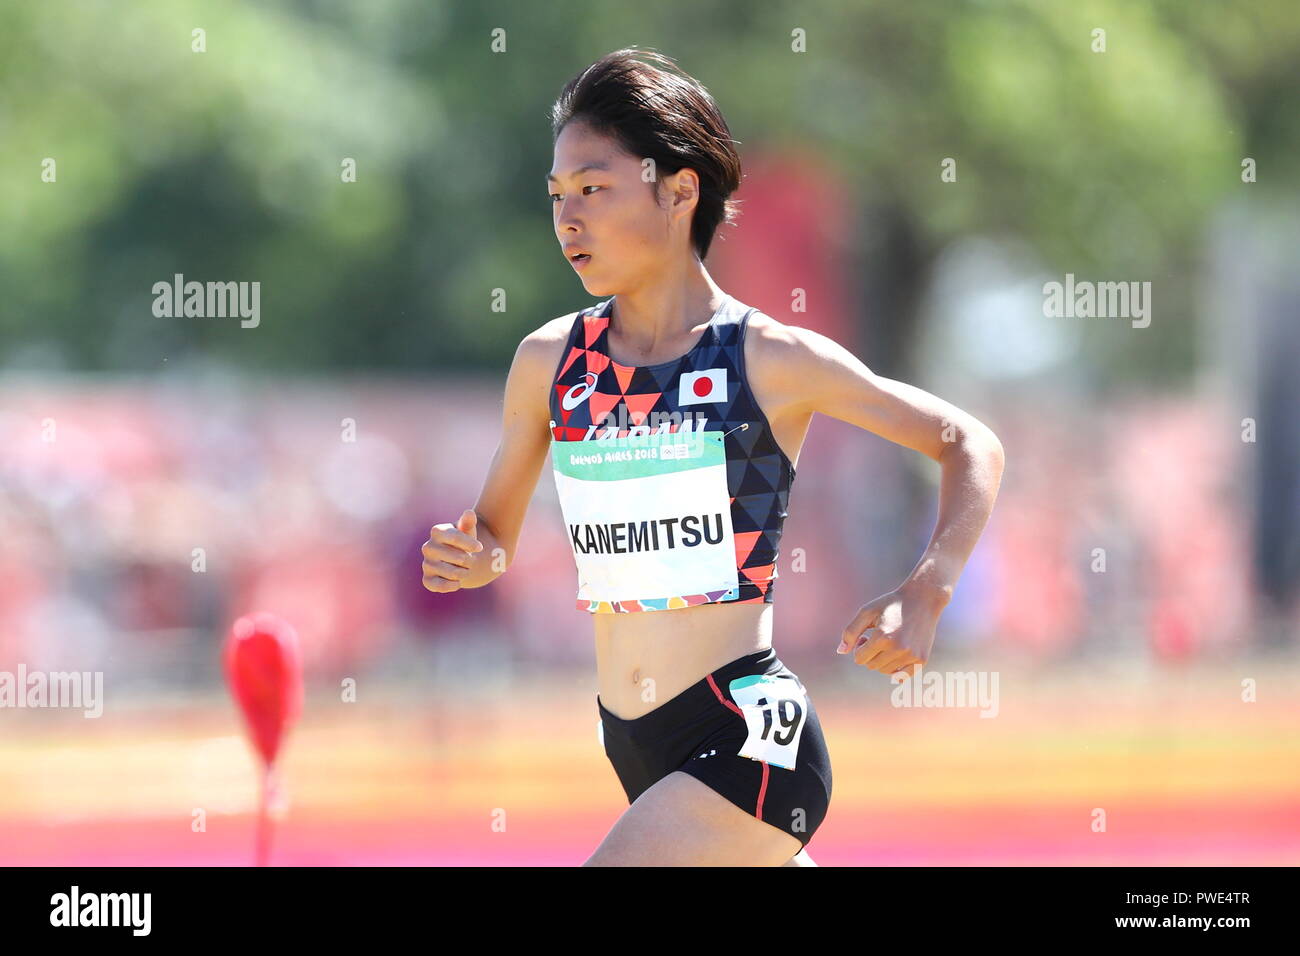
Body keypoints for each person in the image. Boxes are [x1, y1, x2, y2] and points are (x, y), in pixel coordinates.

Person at [421, 48, 1004, 866]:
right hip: (635, 747)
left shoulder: (767, 357)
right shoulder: (549, 363)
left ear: (680, 189)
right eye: (557, 196)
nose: (567, 220)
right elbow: (493, 533)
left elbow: (968, 443)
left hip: (746, 739)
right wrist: (470, 555)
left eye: (593, 188)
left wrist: (928, 590)